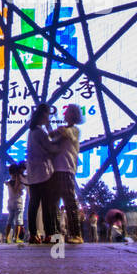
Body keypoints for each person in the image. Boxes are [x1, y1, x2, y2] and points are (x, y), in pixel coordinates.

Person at [25, 105, 60, 243]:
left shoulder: (32, 131)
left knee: (33, 204)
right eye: (47, 115)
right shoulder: (40, 132)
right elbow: (50, 148)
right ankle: (49, 234)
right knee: (47, 205)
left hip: (33, 174)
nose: (48, 118)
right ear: (42, 116)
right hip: (44, 174)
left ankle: (33, 234)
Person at [49, 104, 84, 243]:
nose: (65, 114)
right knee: (55, 203)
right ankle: (57, 234)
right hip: (58, 169)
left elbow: (63, 133)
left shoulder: (74, 130)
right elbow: (52, 137)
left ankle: (77, 234)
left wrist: (54, 128)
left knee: (70, 202)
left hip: (66, 169)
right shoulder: (66, 130)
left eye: (67, 112)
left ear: (73, 115)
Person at [5, 164, 26, 244]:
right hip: (18, 202)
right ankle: (16, 238)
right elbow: (18, 190)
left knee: (9, 220)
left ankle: (7, 238)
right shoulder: (18, 181)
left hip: (10, 202)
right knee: (19, 221)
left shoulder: (9, 182)